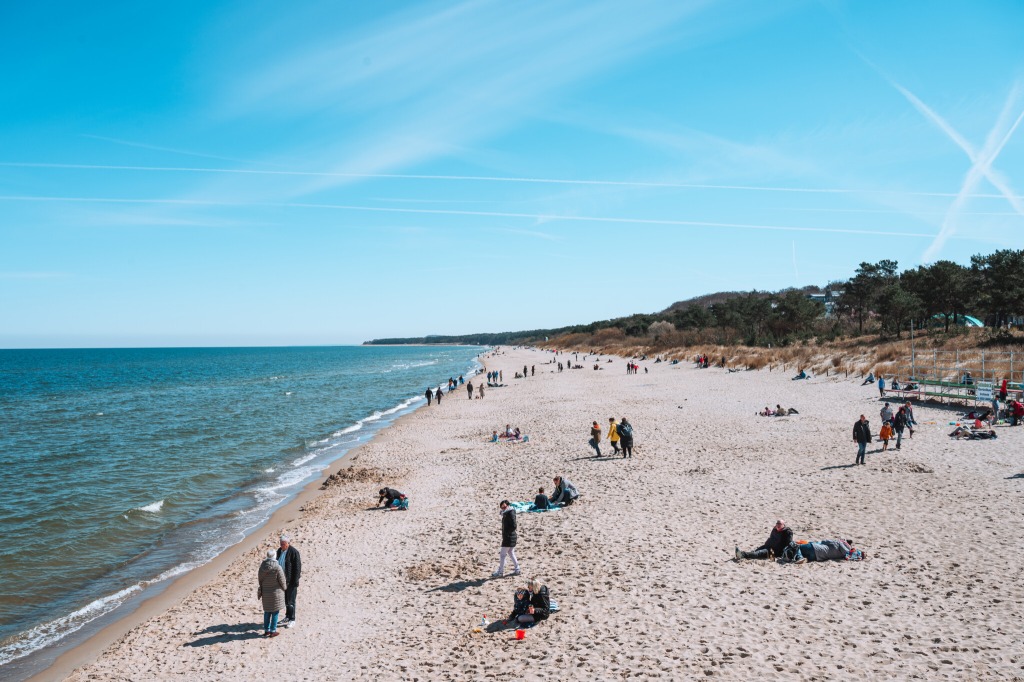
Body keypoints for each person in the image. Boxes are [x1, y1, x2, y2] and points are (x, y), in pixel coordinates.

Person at [258, 548, 287, 638]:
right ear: (275, 556)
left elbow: (260, 579)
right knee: (275, 612)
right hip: (275, 593)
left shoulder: (262, 567)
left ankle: (266, 630)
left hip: (266, 593)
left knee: (267, 612)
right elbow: (282, 580)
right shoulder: (277, 567)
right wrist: (285, 588)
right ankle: (273, 630)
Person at [276, 535, 301, 628]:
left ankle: (292, 619)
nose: (281, 545)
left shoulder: (294, 552)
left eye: (283, 544)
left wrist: (295, 582)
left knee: (291, 601)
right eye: (281, 544)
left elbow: (297, 568)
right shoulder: (279, 551)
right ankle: (287, 616)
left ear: (288, 543)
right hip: (282, 581)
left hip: (291, 582)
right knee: (286, 600)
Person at [493, 500, 520, 577]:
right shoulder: (507, 513)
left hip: (509, 537)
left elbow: (514, 525)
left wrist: (507, 533)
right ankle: (517, 569)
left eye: (504, 506)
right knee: (511, 552)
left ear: (508, 505)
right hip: (510, 536)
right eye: (502, 507)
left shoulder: (510, 513)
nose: (503, 508)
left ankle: (500, 572)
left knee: (502, 555)